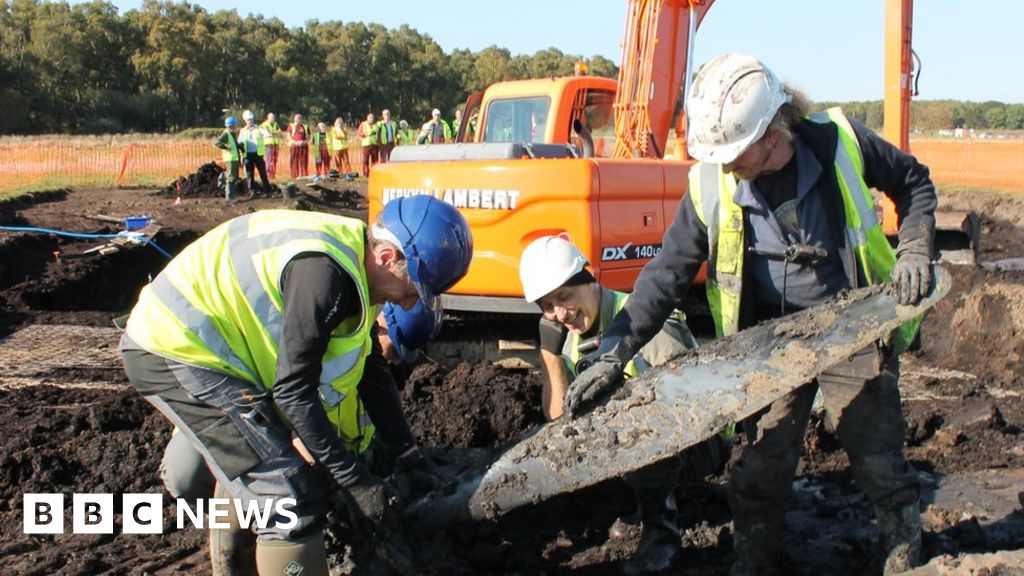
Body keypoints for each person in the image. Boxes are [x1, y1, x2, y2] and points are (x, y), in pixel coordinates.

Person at [568, 53, 936, 575]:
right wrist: (613, 350)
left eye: (735, 155)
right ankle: (755, 563)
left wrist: (916, 248)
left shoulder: (840, 140)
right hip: (767, 342)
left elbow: (915, 183)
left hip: (852, 324)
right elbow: (665, 276)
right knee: (759, 471)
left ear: (772, 134)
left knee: (877, 458)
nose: (725, 167)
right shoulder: (709, 184)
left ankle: (903, 555)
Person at [120, 195, 474, 576]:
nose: (408, 304)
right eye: (413, 289)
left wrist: (407, 453)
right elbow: (293, 393)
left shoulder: (359, 267)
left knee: (258, 467)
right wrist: (356, 481)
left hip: (230, 355)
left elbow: (369, 363)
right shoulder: (323, 275)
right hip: (177, 346)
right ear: (387, 256)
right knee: (287, 497)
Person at [519, 235, 728, 574]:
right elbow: (557, 418)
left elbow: (693, 407)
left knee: (632, 425)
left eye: (564, 296)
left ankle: (663, 536)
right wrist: (550, 355)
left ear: (589, 279)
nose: (560, 313)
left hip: (699, 444)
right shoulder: (570, 338)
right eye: (547, 306)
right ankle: (635, 508)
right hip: (635, 454)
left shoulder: (643, 322)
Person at [238, 110, 273, 198]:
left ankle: (268, 191)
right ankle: (252, 192)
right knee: (249, 174)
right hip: (247, 155)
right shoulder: (243, 131)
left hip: (258, 155)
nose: (250, 121)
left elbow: (267, 134)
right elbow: (239, 142)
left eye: (251, 119)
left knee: (263, 173)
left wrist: (268, 135)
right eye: (248, 120)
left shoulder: (259, 128)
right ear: (245, 121)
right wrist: (241, 156)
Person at [214, 116, 242, 201]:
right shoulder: (226, 134)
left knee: (233, 177)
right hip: (230, 159)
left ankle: (231, 196)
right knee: (230, 177)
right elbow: (217, 142)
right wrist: (226, 147)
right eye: (235, 124)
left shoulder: (231, 133)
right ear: (231, 125)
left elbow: (234, 145)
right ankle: (229, 197)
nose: (236, 126)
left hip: (234, 158)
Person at [287, 113, 309, 179]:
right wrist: (295, 142)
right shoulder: (291, 126)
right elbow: (288, 136)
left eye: (299, 118)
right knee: (294, 161)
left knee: (303, 161)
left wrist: (304, 142)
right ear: (294, 119)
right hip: (294, 146)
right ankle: (294, 175)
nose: (298, 120)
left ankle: (304, 175)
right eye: (297, 118)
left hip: (303, 146)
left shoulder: (305, 126)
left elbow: (309, 136)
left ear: (301, 119)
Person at [260, 112, 282, 179]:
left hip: (275, 144)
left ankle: (273, 174)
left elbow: (279, 131)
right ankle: (268, 175)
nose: (273, 119)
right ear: (268, 118)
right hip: (268, 145)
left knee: (275, 160)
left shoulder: (275, 124)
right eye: (272, 118)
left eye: (274, 118)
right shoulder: (264, 125)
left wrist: (273, 133)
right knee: (269, 160)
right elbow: (268, 133)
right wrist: (274, 133)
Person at [357, 112, 379, 177]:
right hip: (366, 145)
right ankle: (365, 173)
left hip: (375, 145)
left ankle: (374, 173)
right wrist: (366, 134)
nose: (372, 119)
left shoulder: (376, 125)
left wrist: (379, 142)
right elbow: (359, 133)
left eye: (373, 117)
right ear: (367, 118)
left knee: (375, 161)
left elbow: (379, 135)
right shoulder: (363, 124)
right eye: (370, 117)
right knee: (365, 160)